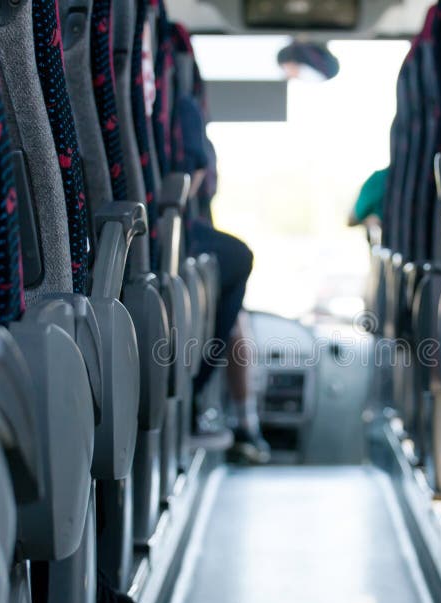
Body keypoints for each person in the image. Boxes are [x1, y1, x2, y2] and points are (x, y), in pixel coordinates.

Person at [170, 25, 270, 464]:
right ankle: (220, 412)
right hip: (164, 237)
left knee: (233, 312)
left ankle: (238, 423)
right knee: (236, 260)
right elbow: (193, 178)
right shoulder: (186, 110)